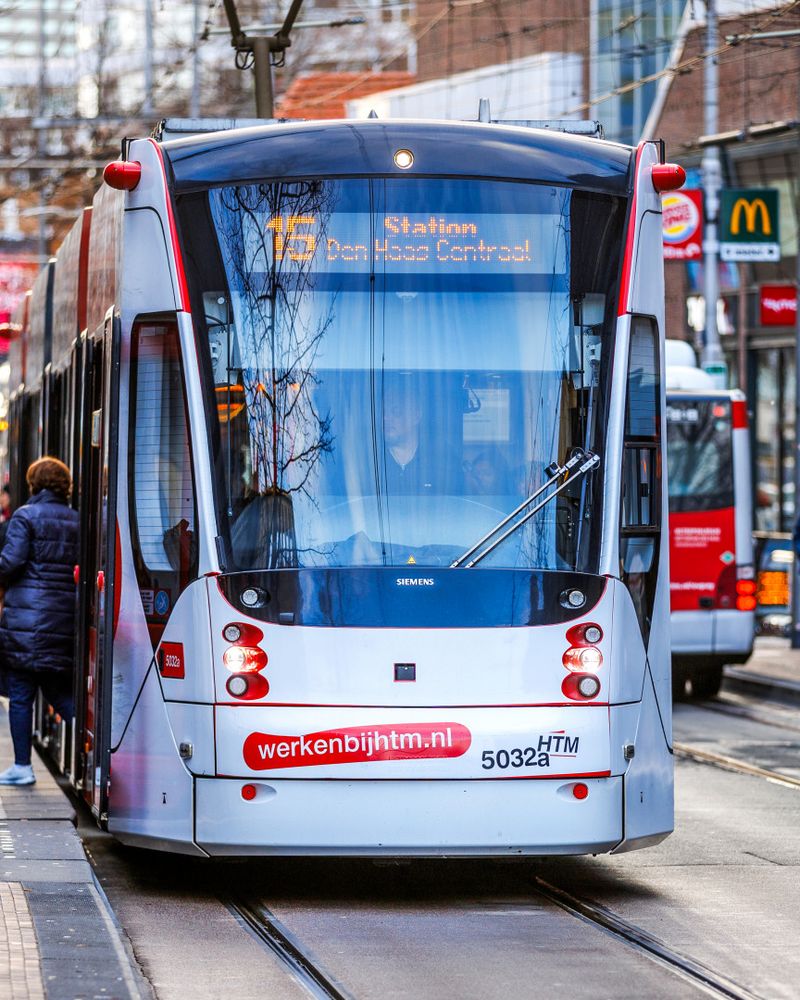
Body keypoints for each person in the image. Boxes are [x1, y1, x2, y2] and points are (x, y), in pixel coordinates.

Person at [0, 458, 79, 786]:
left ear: (34, 484)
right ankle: (113, 750)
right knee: (58, 691)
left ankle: (22, 766)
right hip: (62, 621)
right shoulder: (77, 520)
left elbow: (10, 562)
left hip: (25, 621)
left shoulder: (25, 516)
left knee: (20, 694)